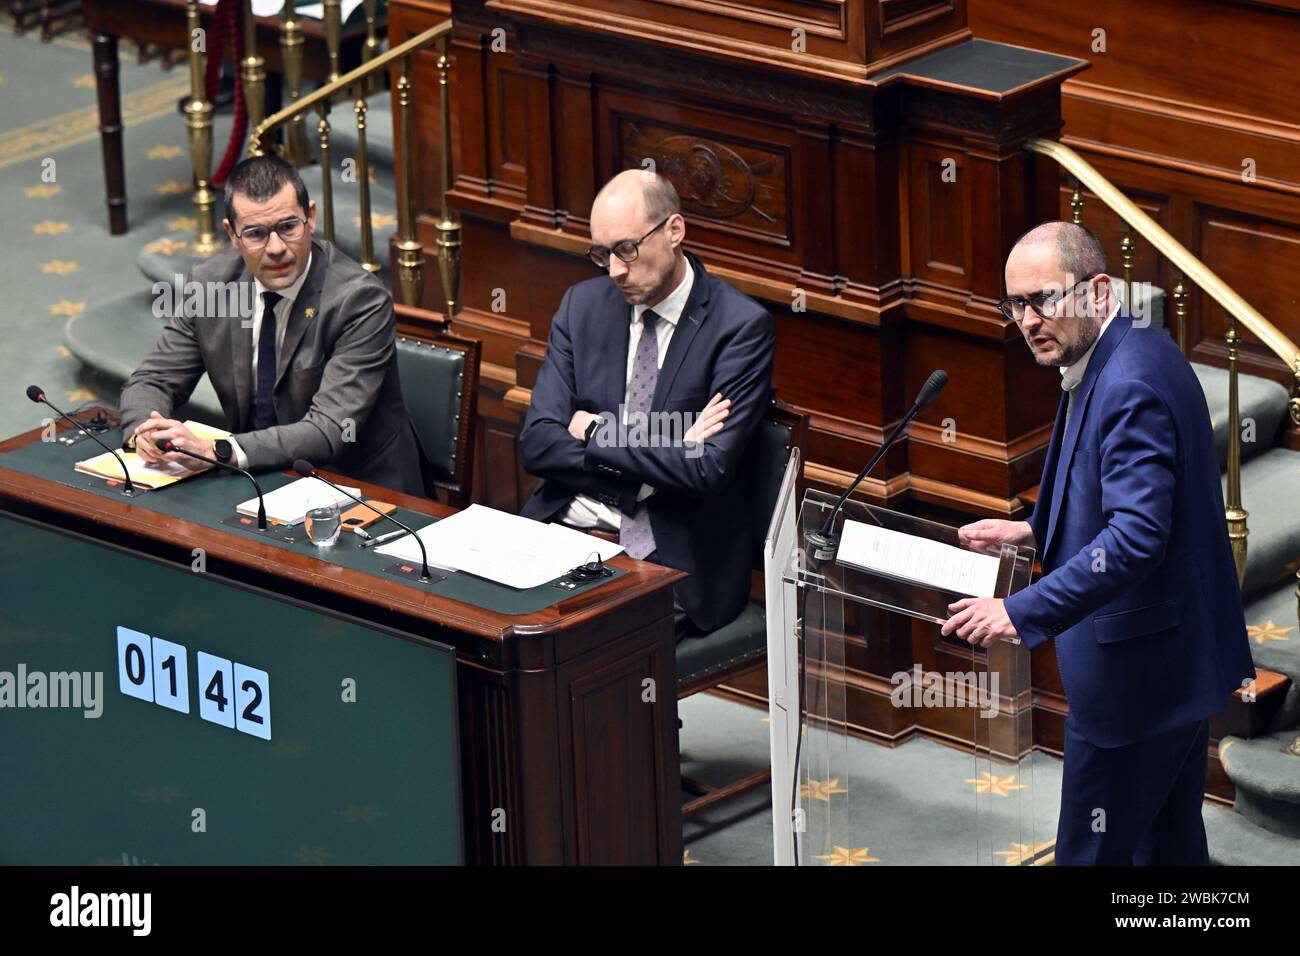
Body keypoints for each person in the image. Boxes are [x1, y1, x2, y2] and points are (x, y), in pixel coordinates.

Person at [942, 220, 1255, 865]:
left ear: (1099, 290)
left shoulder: (1129, 382)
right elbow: (1115, 492)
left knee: (1090, 856)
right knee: (1167, 852)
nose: (1028, 320)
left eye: (1045, 299)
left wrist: (1020, 610)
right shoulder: (1120, 347)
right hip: (1170, 663)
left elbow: (1137, 536)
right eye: (1015, 305)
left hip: (1137, 680)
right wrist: (1035, 529)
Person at [519, 170, 776, 637]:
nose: (615, 270)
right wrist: (667, 451)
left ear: (674, 231)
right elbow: (537, 443)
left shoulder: (739, 328)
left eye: (625, 249)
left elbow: (706, 469)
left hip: (670, 556)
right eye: (602, 254)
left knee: (576, 649)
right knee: (479, 624)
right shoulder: (582, 306)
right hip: (566, 526)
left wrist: (598, 432)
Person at [119, 154, 427, 496]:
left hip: (358, 487)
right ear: (233, 236)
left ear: (310, 218)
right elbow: (154, 379)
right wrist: (145, 431)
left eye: (288, 226)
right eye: (256, 233)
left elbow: (328, 430)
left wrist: (219, 451)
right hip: (258, 478)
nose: (277, 248)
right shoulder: (211, 286)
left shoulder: (359, 301)